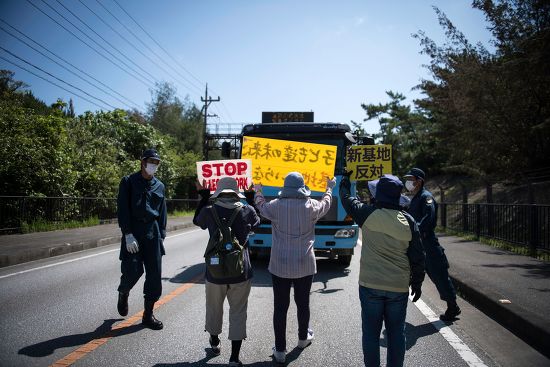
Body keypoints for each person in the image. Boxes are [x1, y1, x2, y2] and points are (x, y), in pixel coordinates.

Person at [340, 173, 425, 367]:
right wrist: (417, 282)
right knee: (396, 334)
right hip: (398, 287)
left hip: (370, 285)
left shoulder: (367, 214)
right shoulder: (409, 221)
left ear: (379, 194)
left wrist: (345, 184)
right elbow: (418, 257)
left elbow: (347, 201)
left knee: (370, 334)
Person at [252, 172, 336, 364]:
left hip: (280, 263)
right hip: (305, 263)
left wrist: (258, 189)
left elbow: (260, 205)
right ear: (302, 188)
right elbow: (326, 204)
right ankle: (302, 338)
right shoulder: (311, 206)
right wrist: (329, 187)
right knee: (303, 303)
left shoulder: (275, 206)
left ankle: (280, 350)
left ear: (285, 187)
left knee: (280, 307)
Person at [193, 177, 260, 367]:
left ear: (219, 193)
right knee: (238, 311)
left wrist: (204, 197)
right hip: (241, 270)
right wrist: (251, 198)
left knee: (214, 307)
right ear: (236, 192)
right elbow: (257, 223)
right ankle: (234, 358)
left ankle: (214, 341)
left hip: (215, 272)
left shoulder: (208, 210)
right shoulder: (247, 210)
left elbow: (197, 221)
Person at [116, 148, 167, 330]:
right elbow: (123, 209)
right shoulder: (128, 182)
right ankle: (124, 291)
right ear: (143, 162)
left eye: (156, 163)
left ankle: (148, 315)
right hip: (134, 231)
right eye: (151, 161)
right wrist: (127, 233)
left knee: (154, 275)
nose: (153, 165)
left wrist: (161, 235)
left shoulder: (160, 186)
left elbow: (162, 213)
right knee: (133, 270)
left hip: (153, 233)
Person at [403, 167, 461, 321]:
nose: (408, 182)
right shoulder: (415, 197)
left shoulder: (426, 197)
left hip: (427, 243)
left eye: (411, 179)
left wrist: (415, 231)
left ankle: (452, 307)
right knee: (412, 274)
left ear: (419, 181)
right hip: (417, 243)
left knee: (439, 275)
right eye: (408, 179)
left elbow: (428, 218)